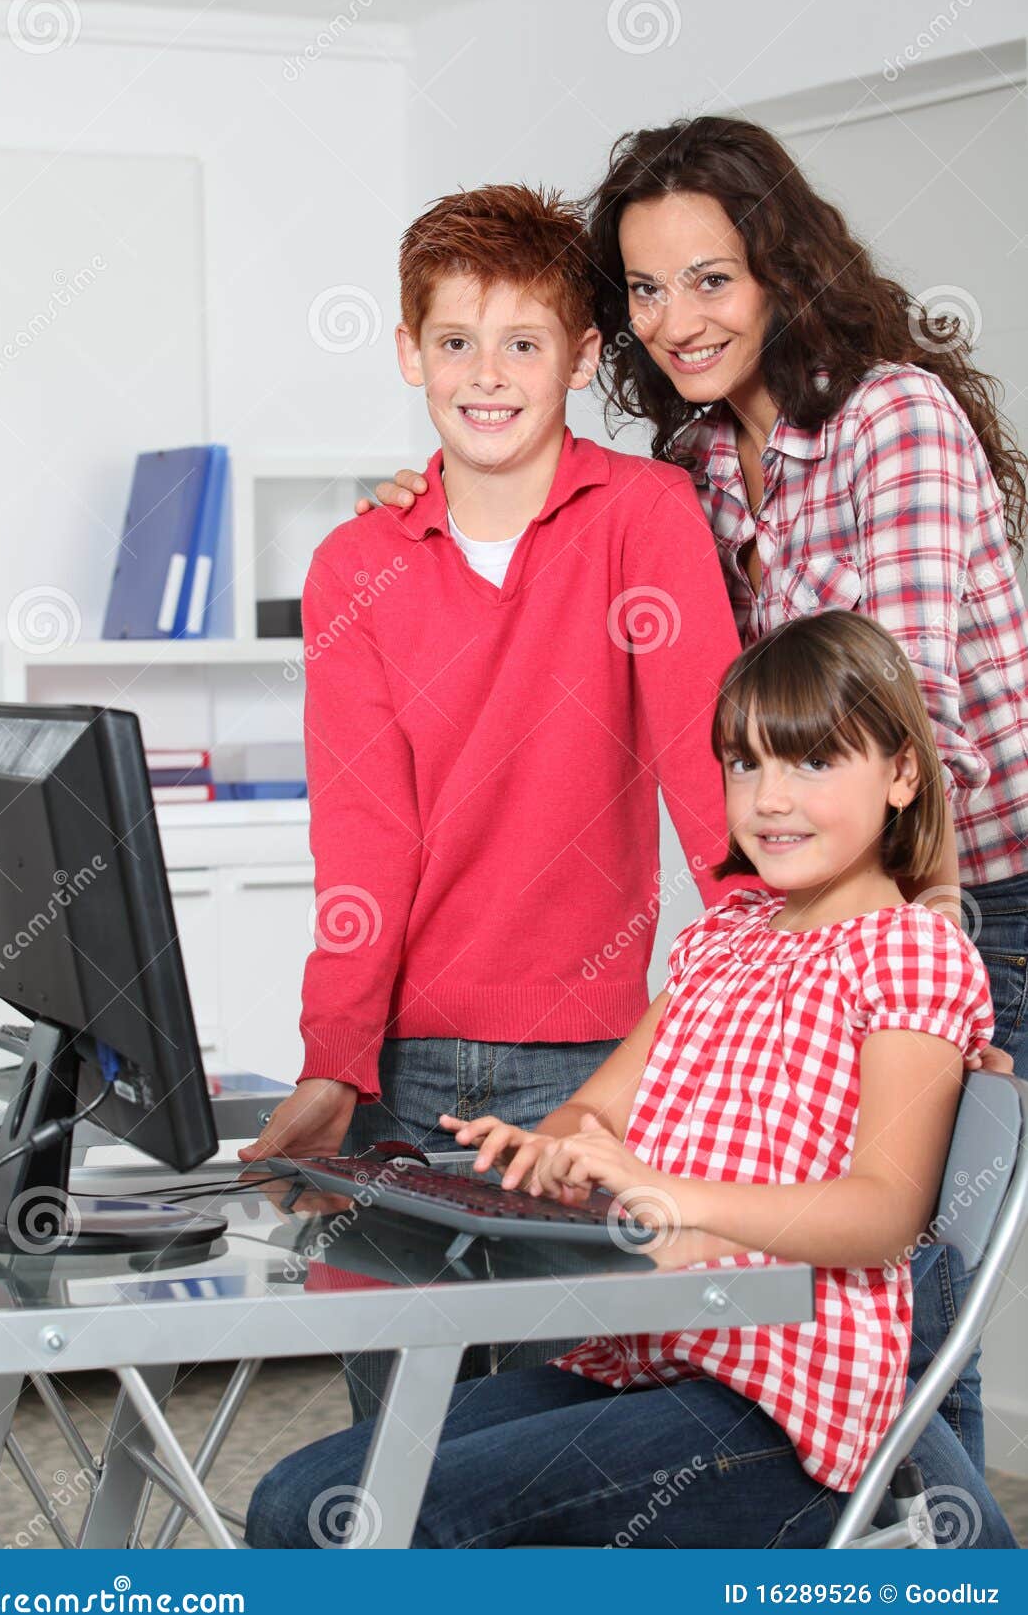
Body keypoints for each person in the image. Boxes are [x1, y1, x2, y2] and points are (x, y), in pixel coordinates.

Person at [354, 116, 1028, 1475]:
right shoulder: (706, 464)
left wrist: (916, 957)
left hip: (966, 892)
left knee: (910, 1289)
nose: (675, 319)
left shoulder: (892, 418)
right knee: (838, 1277)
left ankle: (934, 1553)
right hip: (828, 910)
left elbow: (908, 722)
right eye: (646, 289)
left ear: (783, 269)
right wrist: (456, 492)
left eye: (710, 279)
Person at [246, 612, 1017, 1549]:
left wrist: (669, 1197)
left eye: (813, 761)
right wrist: (551, 1145)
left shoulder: (910, 952)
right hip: (644, 1360)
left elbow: (883, 1212)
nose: (770, 798)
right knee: (297, 1498)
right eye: (744, 764)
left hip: (784, 1408)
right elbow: (593, 1109)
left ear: (901, 775)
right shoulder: (721, 941)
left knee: (375, 1524)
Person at [240, 182, 753, 1421]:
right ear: (407, 350)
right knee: (391, 1436)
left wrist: (768, 989)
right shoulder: (355, 565)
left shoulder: (641, 516)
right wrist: (331, 1059)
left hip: (582, 1064)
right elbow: (362, 840)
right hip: (395, 1069)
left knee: (535, 1442)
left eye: (522, 343)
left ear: (578, 358)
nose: (485, 375)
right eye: (455, 341)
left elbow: (711, 775)